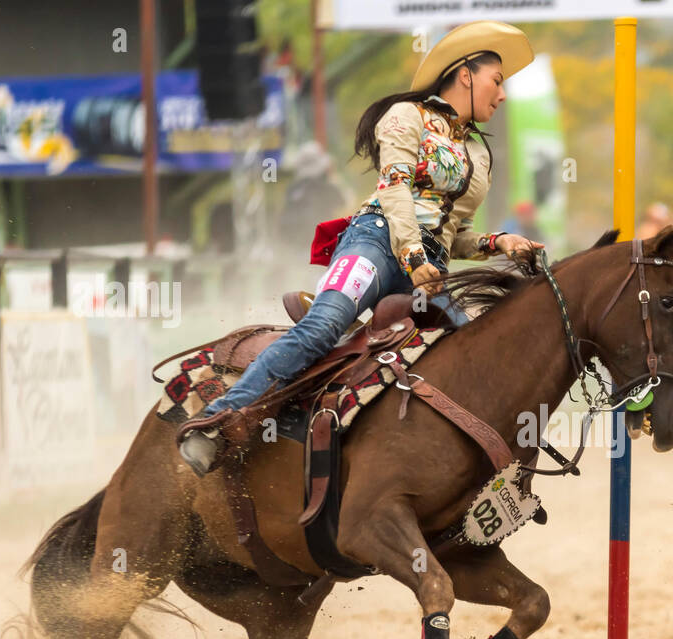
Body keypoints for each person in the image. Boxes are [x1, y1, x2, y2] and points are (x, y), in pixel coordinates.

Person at [178, 21, 545, 476]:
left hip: (427, 268)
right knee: (324, 326)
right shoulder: (406, 117)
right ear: (465, 75)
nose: (503, 94)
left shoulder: (479, 153)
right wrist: (412, 258)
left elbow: (454, 231)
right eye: (498, 80)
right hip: (374, 240)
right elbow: (395, 190)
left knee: (471, 348)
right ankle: (215, 422)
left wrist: (500, 242)